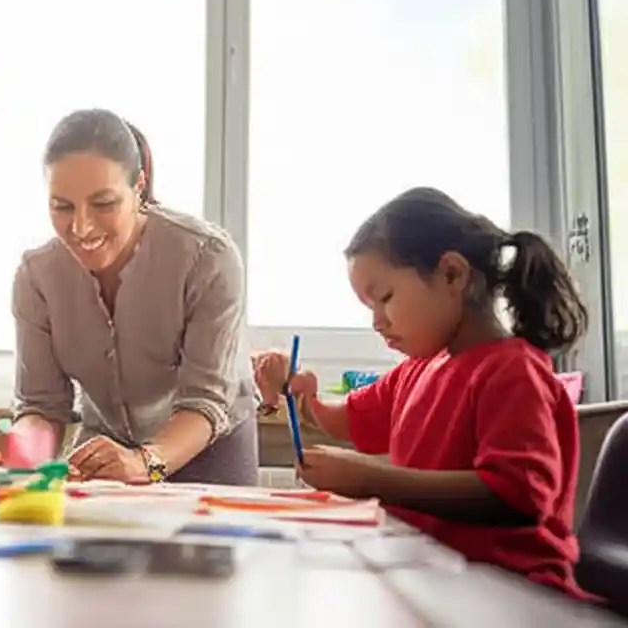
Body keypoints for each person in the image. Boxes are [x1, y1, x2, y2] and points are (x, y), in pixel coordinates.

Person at [253, 187, 590, 598]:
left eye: (386, 298)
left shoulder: (514, 371)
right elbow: (345, 421)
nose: (377, 322)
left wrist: (374, 480)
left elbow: (518, 496)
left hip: (516, 593)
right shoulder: (417, 370)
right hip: (441, 583)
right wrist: (301, 396)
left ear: (452, 274)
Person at [11, 109, 258, 485]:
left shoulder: (207, 257)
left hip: (206, 445)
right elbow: (41, 405)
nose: (81, 227)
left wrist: (144, 463)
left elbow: (205, 403)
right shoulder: (36, 277)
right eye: (61, 206)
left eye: (103, 203)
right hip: (105, 445)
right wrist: (22, 460)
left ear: (139, 187)